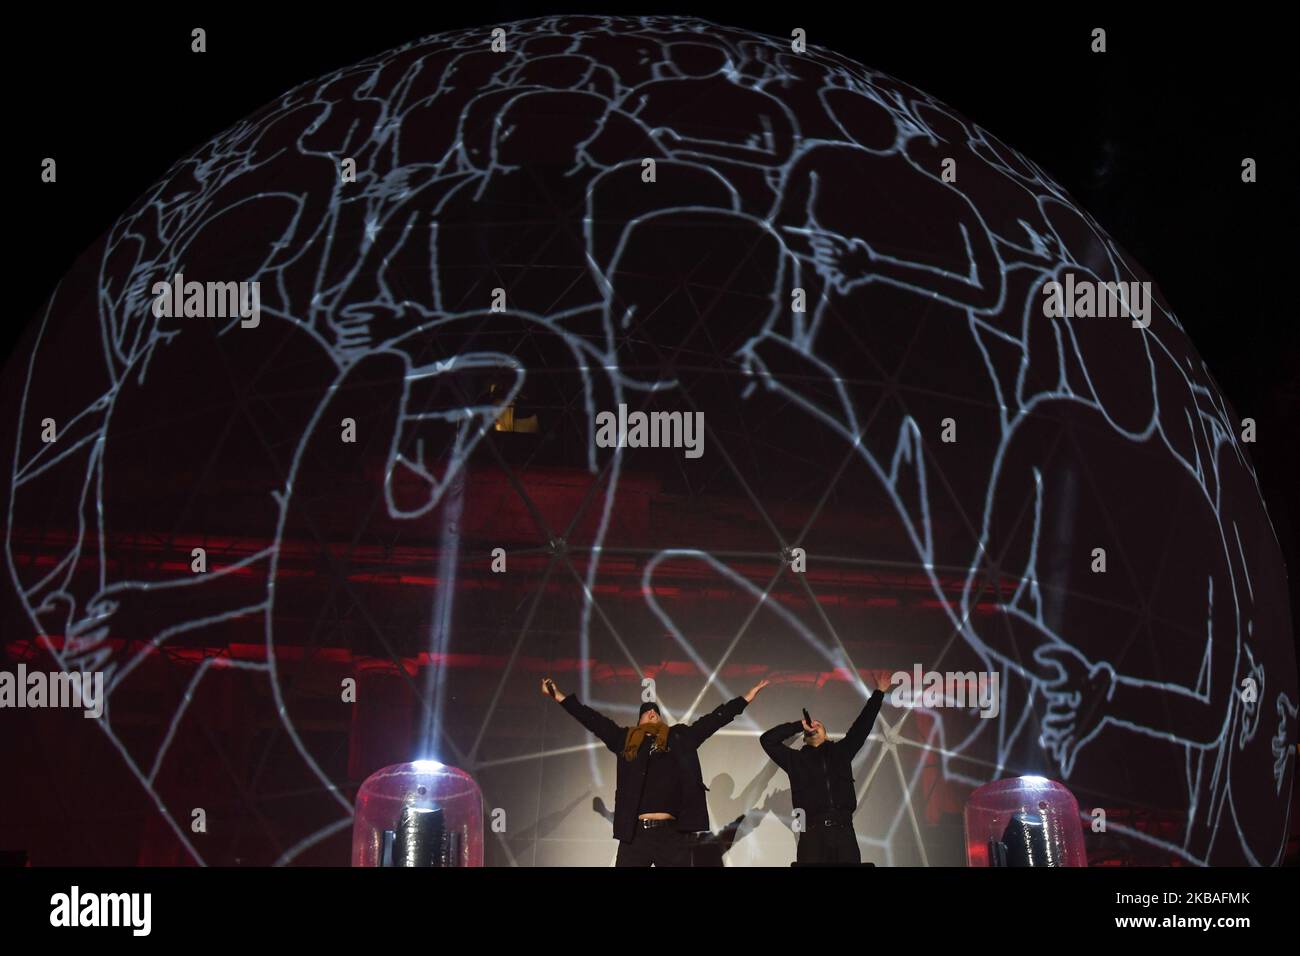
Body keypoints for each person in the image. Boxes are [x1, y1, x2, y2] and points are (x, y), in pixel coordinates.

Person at [542, 676, 769, 866]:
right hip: (635, 836)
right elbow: (592, 720)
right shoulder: (625, 740)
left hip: (672, 836)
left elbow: (713, 720)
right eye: (646, 712)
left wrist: (745, 699)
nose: (652, 713)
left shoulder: (680, 737)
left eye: (656, 712)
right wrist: (559, 696)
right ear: (639, 721)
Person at [760, 672, 891, 864]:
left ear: (826, 735)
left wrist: (879, 693)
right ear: (805, 736)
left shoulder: (841, 752)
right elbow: (767, 740)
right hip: (812, 835)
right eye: (811, 726)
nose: (814, 726)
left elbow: (862, 727)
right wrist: (799, 725)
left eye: (818, 725)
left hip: (843, 832)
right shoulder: (795, 760)